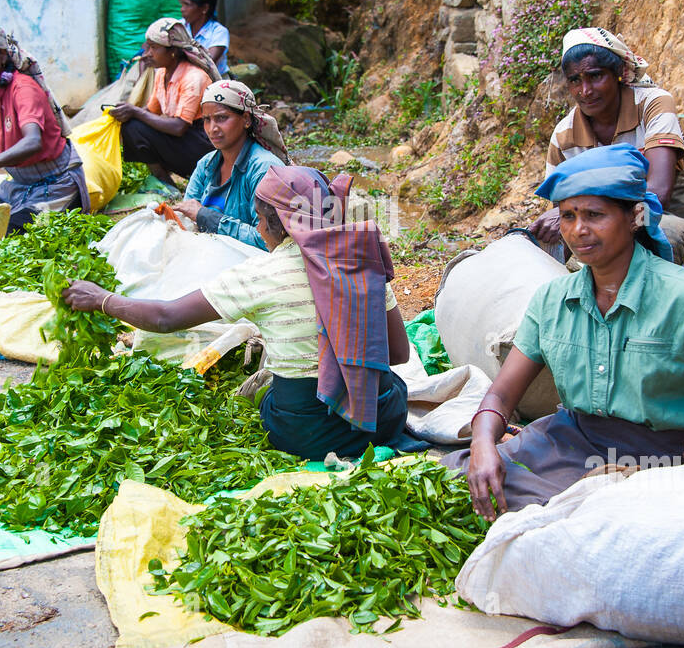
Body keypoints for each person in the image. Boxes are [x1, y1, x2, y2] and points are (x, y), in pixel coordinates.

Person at [447, 144, 684, 521]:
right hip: (571, 439)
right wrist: (484, 442)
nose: (578, 230)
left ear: (634, 216)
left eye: (594, 215)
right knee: (455, 483)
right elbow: (502, 394)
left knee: (578, 522)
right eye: (567, 216)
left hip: (661, 455)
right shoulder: (553, 300)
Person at [62, 166, 427, 461]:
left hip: (304, 433)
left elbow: (165, 318)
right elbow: (399, 355)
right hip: (377, 421)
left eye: (258, 219)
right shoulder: (362, 262)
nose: (256, 228)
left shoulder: (258, 275)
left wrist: (102, 299)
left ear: (277, 224)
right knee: (392, 387)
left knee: (267, 394)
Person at [529, 27, 684, 270]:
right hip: (602, 237)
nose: (585, 91)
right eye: (575, 80)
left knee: (649, 237)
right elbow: (564, 219)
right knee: (533, 253)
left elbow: (657, 194)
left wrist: (595, 220)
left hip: (673, 225)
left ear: (619, 72)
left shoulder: (652, 105)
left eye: (595, 76)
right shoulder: (564, 136)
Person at [0, 23, 89, 233]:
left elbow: (33, 142)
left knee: (10, 231)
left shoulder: (22, 88)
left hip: (56, 184)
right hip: (20, 185)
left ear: (2, 56)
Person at [173, 80, 289, 249]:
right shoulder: (206, 165)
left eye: (221, 118)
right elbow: (187, 219)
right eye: (206, 120)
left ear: (246, 120)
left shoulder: (264, 169)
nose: (212, 128)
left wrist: (206, 217)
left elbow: (269, 241)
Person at [110, 17, 220, 182]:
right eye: (148, 47)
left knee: (136, 121)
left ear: (173, 51)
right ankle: (164, 180)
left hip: (204, 143)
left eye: (154, 48)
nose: (147, 54)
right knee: (132, 126)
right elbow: (151, 111)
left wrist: (135, 111)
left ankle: (181, 178)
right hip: (185, 139)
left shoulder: (193, 77)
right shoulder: (162, 72)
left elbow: (179, 127)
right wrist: (127, 113)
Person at [180, 0, 230, 77]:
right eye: (182, 4)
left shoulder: (218, 32)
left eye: (187, 4)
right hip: (186, 79)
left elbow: (207, 62)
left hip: (213, 83)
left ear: (204, 8)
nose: (182, 9)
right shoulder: (179, 26)